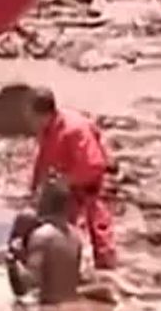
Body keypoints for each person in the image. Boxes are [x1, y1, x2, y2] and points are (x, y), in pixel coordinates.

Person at [26, 87, 118, 271]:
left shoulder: (74, 129)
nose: (31, 121)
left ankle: (106, 266)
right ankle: (63, 266)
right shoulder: (48, 129)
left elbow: (94, 165)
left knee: (98, 221)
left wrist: (68, 181)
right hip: (70, 178)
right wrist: (34, 188)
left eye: (33, 116)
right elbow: (43, 158)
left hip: (92, 179)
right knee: (57, 221)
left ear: (44, 114)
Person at [6, 177, 84, 305]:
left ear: (45, 202)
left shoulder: (43, 236)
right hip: (70, 308)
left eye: (39, 198)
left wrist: (12, 262)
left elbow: (25, 286)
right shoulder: (76, 237)